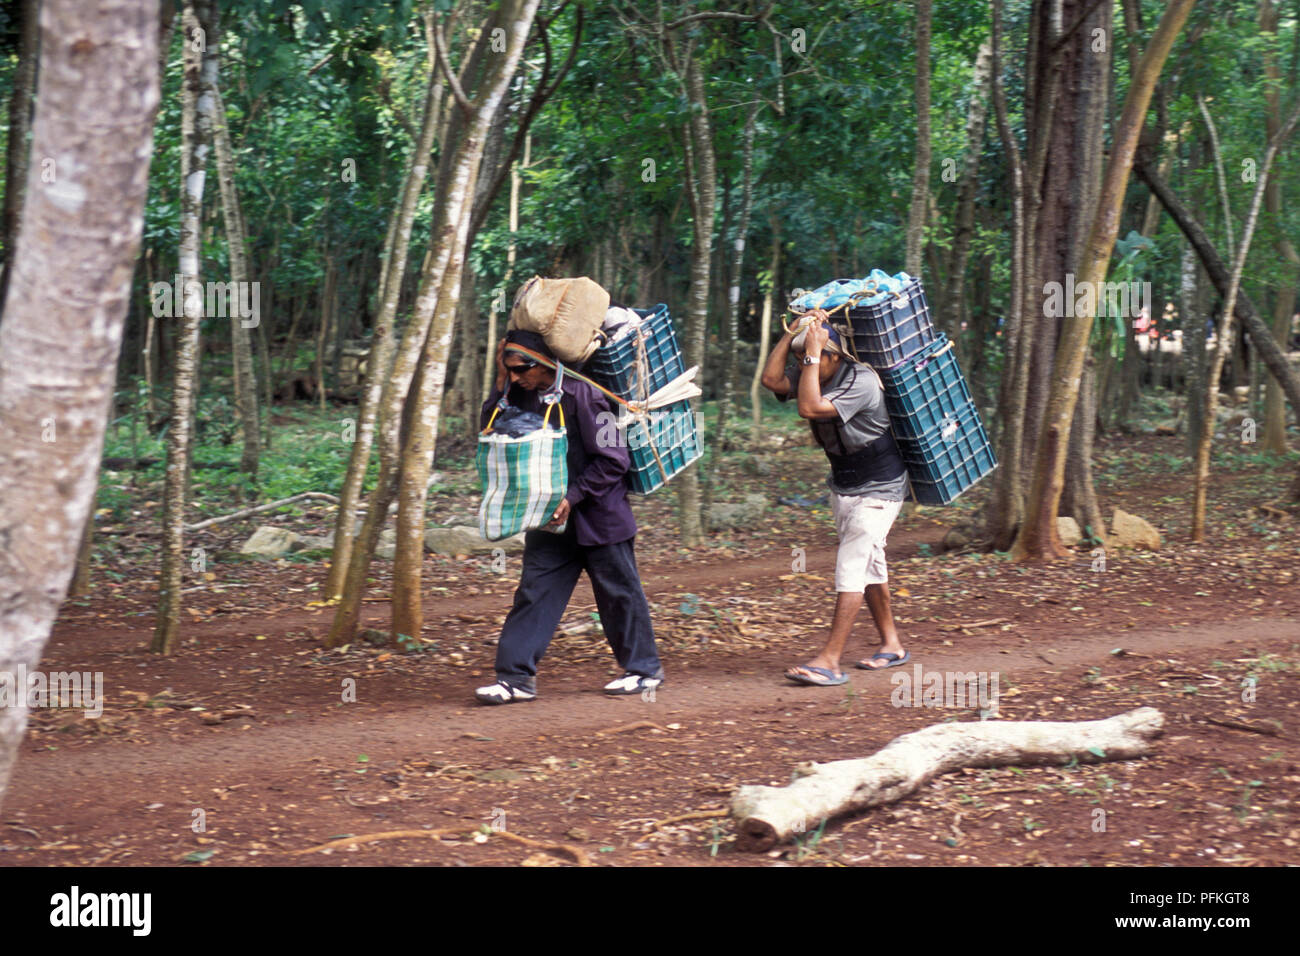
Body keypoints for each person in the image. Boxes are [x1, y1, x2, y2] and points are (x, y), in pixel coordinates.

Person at [474, 328, 664, 704]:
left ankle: (643, 671)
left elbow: (615, 460)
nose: (517, 376)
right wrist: (501, 381)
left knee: (619, 596)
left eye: (522, 368)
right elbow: (491, 423)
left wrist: (573, 497)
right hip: (550, 520)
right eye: (510, 370)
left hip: (601, 519)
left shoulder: (586, 395)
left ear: (546, 363)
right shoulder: (519, 392)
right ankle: (514, 679)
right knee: (534, 594)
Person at [758, 310, 910, 685]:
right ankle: (892, 644)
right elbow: (771, 379)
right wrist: (793, 335)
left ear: (835, 355)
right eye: (800, 359)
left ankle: (830, 660)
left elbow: (809, 407)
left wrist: (811, 354)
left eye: (809, 357)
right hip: (844, 485)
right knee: (870, 562)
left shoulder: (862, 381)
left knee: (852, 565)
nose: (802, 364)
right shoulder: (813, 370)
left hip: (881, 486)